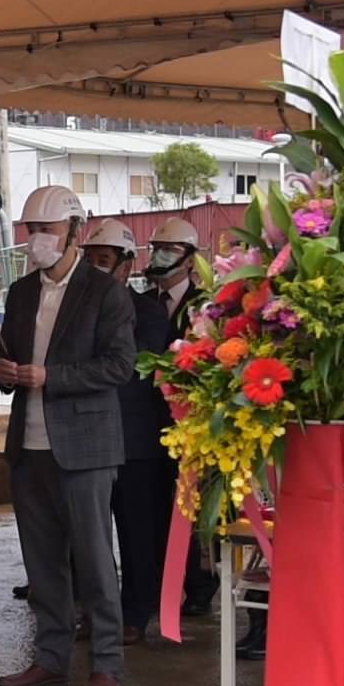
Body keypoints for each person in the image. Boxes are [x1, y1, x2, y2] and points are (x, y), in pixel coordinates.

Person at [0, 187, 136, 686]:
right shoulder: (22, 291)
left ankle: (107, 664)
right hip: (27, 446)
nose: (37, 241)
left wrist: (51, 376)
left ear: (76, 231)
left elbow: (119, 366)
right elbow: (2, 352)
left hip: (85, 447)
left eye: (47, 231)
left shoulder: (105, 292)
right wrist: (2, 371)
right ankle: (51, 659)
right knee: (42, 559)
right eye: (31, 231)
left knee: (95, 559)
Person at [81, 219, 174, 645]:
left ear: (125, 265)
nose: (95, 267)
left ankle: (135, 614)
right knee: (92, 535)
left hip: (136, 444)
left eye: (104, 260)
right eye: (90, 260)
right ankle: (98, 612)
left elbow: (134, 370)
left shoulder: (149, 314)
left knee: (138, 533)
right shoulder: (73, 309)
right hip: (88, 441)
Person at [144, 216, 217, 618]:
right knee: (157, 507)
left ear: (190, 259)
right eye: (157, 247)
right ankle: (162, 578)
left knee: (191, 505)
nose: (160, 256)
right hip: (151, 422)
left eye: (170, 250)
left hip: (191, 423)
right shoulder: (143, 303)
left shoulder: (204, 306)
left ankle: (200, 581)